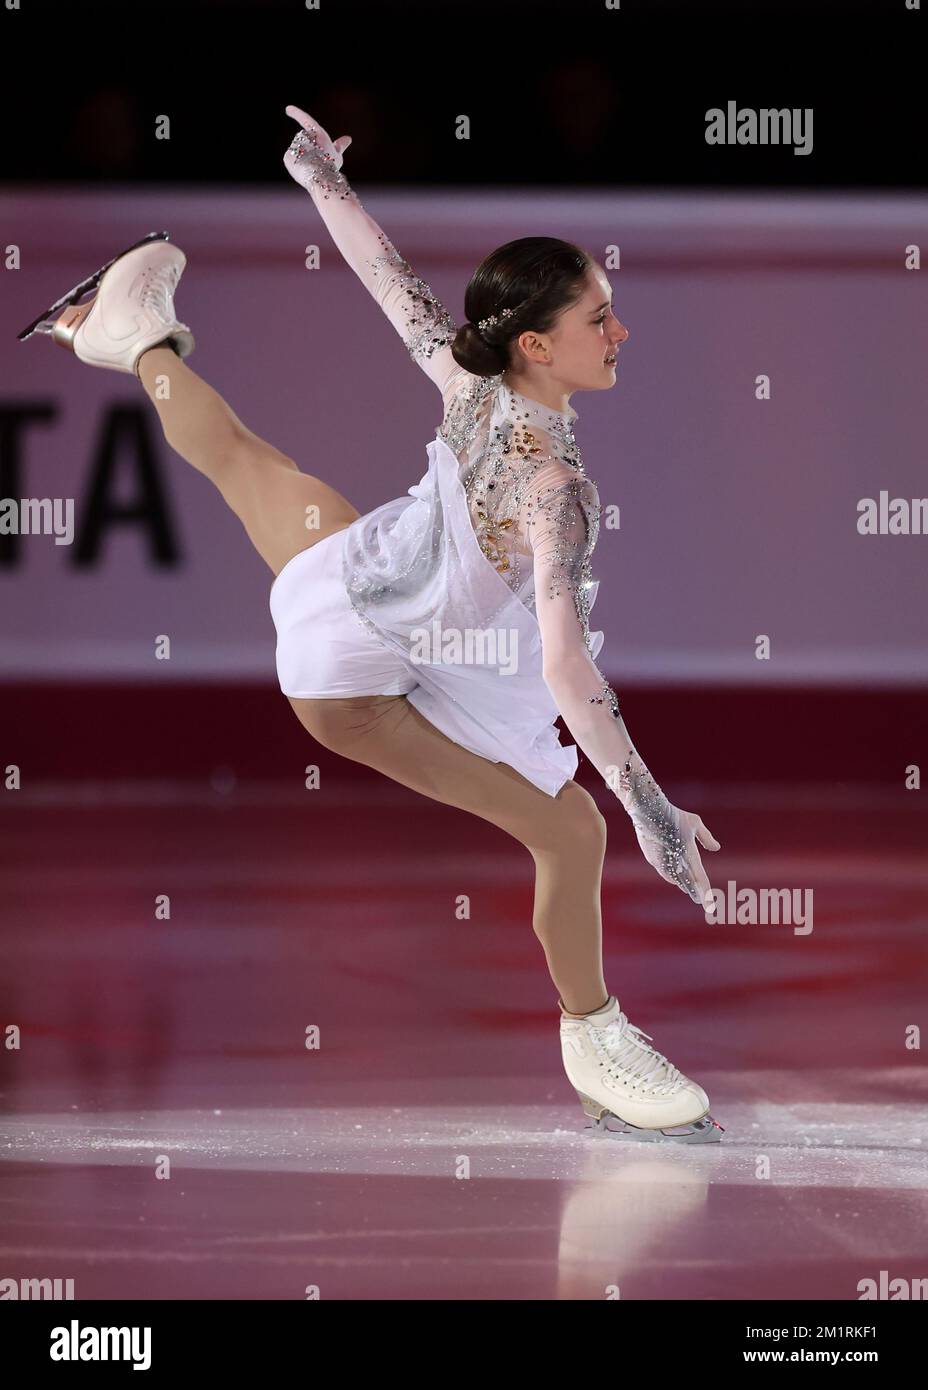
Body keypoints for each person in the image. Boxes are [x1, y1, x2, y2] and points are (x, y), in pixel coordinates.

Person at [19, 106, 723, 1142]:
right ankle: (595, 1038)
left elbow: (389, 284)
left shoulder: (469, 379)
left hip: (358, 580)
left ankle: (127, 337)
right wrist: (649, 808)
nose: (618, 333)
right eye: (599, 317)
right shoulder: (553, 490)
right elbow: (570, 670)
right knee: (571, 829)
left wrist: (324, 187)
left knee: (250, 462)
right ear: (537, 342)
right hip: (349, 682)